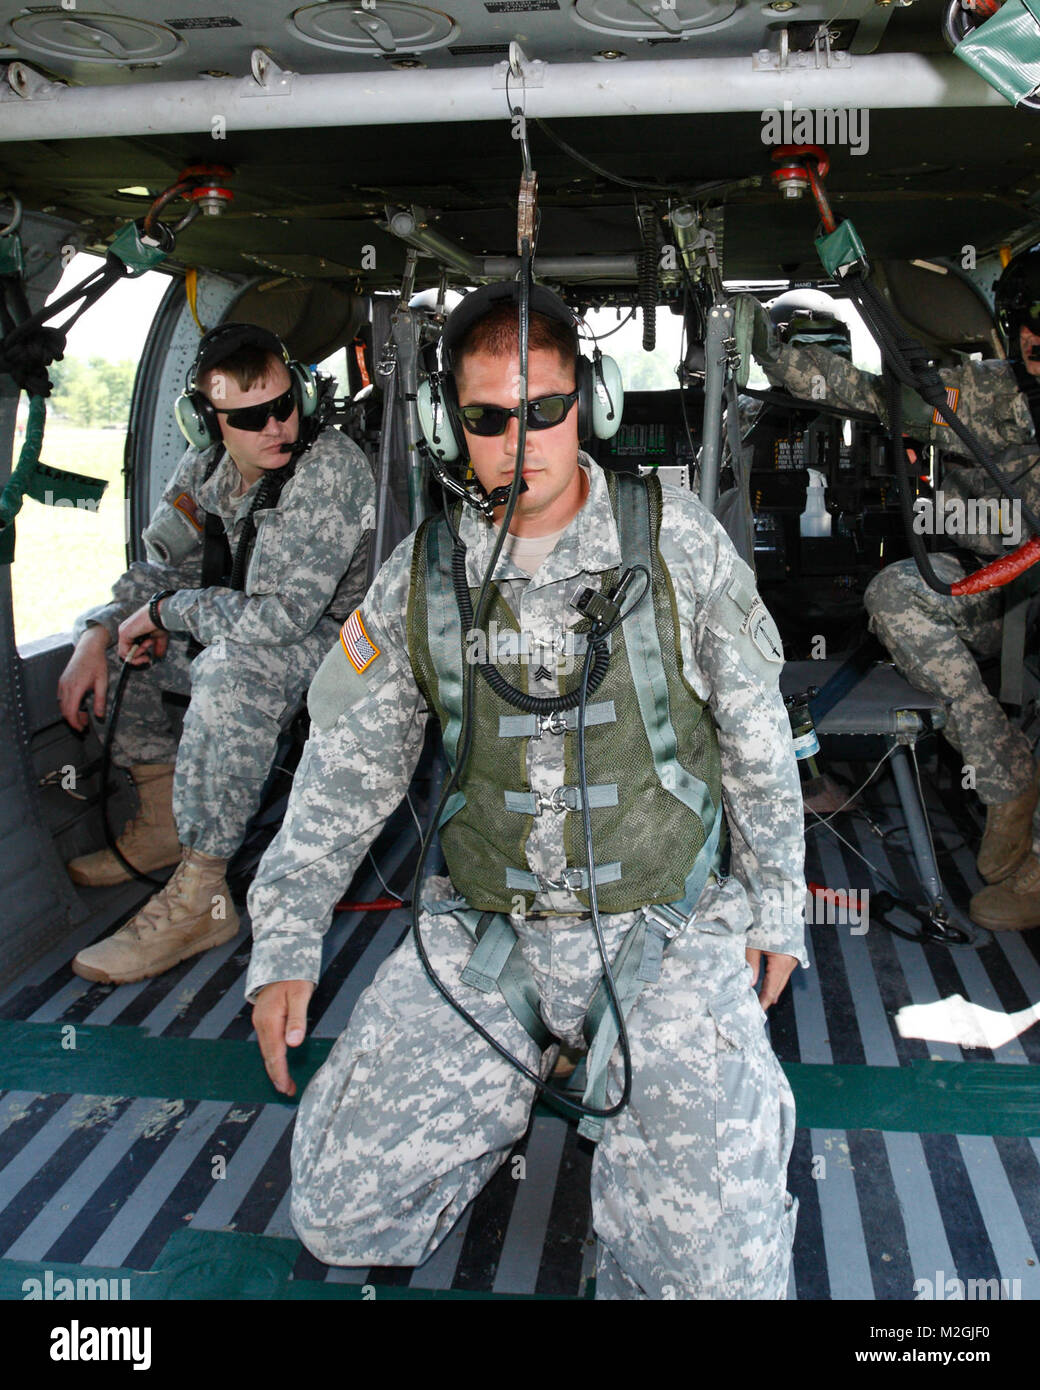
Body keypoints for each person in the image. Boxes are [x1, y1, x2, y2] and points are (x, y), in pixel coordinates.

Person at [246, 282, 806, 1300]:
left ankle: (618, 1111)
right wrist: (284, 937)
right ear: (443, 424)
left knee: (719, 1283)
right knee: (337, 1212)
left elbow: (756, 732)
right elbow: (343, 767)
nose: (519, 439)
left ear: (585, 407)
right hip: (484, 936)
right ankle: (519, 1070)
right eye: (487, 418)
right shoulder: (421, 574)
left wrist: (776, 903)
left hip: (663, 938)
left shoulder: (670, 538)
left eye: (542, 409)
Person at [59, 323, 376, 983]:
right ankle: (161, 823)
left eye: (285, 406)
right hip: (255, 626)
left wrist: (165, 614)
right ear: (209, 423)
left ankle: (203, 892)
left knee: (233, 672)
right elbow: (160, 572)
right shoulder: (203, 468)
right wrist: (100, 630)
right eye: (251, 416)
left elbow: (283, 618)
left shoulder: (331, 468)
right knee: (121, 646)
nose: (276, 428)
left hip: (340, 643)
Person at [752, 259, 1040, 933]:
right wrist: (768, 348)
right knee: (895, 593)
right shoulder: (988, 393)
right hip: (991, 587)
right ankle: (1004, 773)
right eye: (1032, 328)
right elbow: (871, 395)